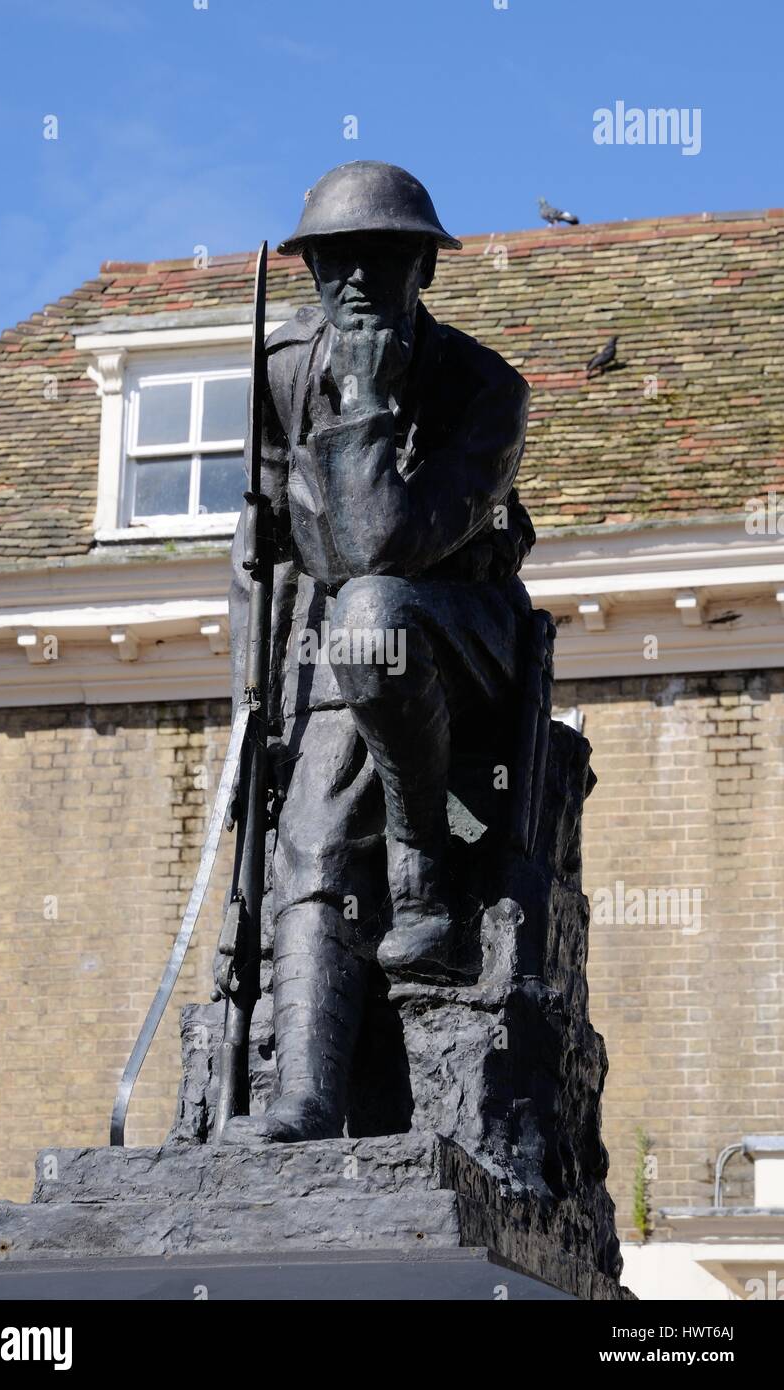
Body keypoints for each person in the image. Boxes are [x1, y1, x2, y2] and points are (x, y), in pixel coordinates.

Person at [220, 161, 534, 1143]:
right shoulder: (276, 380)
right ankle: (304, 1100)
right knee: (309, 837)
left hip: (461, 634)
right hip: (329, 648)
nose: (354, 282)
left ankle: (421, 864)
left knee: (369, 612)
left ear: (422, 271)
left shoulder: (485, 389)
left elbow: (380, 546)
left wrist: (362, 401)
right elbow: (261, 559)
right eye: (334, 259)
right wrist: (247, 715)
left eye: (381, 258)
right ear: (310, 267)